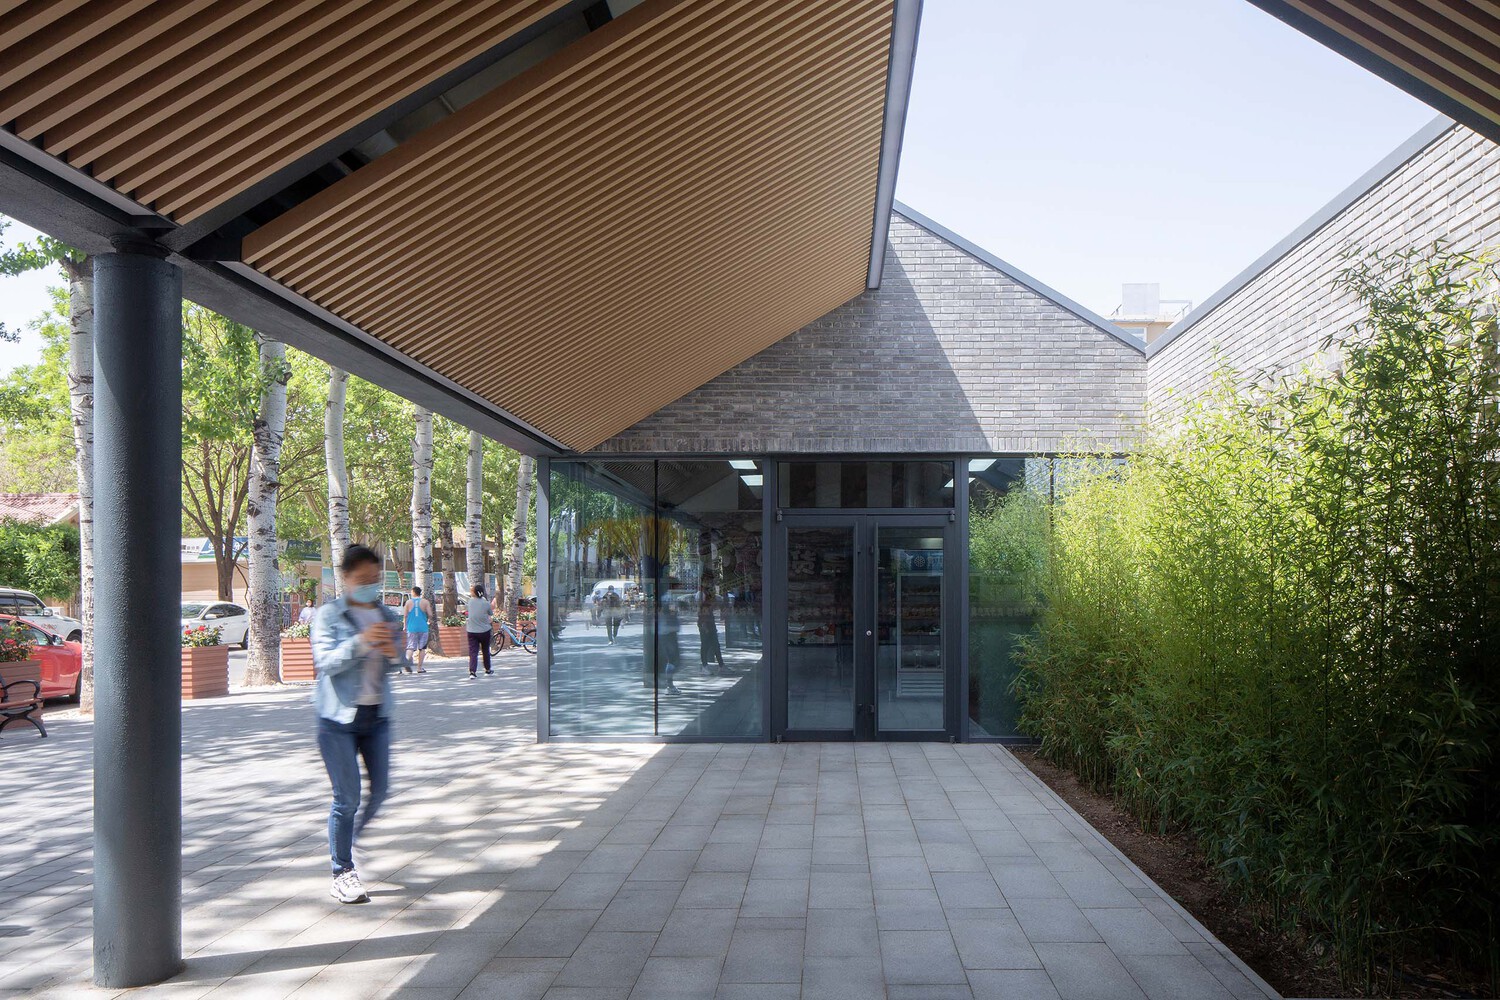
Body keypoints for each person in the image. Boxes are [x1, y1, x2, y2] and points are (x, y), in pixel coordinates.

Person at [311, 544, 405, 905]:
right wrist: (362, 641)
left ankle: (352, 841)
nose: (370, 585)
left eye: (375, 578)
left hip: (376, 716)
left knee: (380, 790)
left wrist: (392, 651)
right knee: (346, 797)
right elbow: (327, 662)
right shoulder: (330, 615)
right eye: (362, 579)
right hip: (337, 719)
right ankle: (342, 871)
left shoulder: (385, 612)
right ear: (346, 578)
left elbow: (396, 664)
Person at [465, 583, 494, 679]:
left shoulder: (470, 602)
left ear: (474, 593)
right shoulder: (486, 603)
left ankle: (472, 671)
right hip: (485, 630)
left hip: (472, 631)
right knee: (485, 650)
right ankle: (487, 669)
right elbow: (490, 613)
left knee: (473, 652)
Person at [402, 585, 432, 674]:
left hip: (411, 628)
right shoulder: (425, 602)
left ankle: (406, 663)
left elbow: (405, 615)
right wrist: (428, 620)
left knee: (410, 647)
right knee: (422, 648)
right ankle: (419, 668)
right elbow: (430, 614)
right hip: (423, 627)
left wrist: (405, 626)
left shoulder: (408, 602)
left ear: (413, 592)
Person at [697, 585, 726, 675]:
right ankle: (704, 666)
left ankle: (721, 666)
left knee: (715, 645)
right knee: (705, 645)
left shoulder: (707, 594)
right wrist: (704, 625)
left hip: (709, 622)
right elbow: (702, 611)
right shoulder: (701, 595)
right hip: (705, 623)